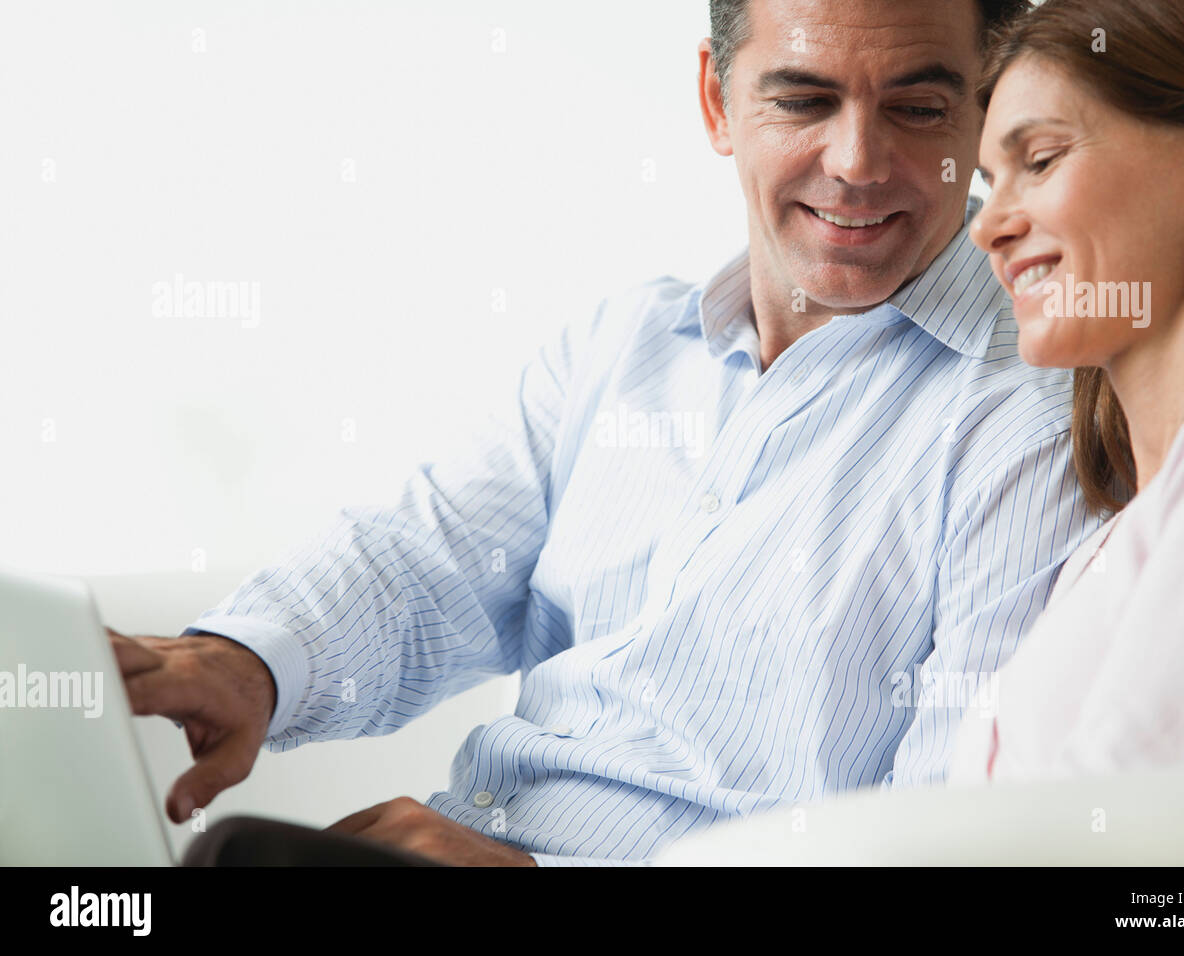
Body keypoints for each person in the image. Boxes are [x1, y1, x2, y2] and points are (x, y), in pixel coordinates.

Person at [111, 0, 1102, 866]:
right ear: (716, 100)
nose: (855, 162)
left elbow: (951, 842)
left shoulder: (1033, 409)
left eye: (917, 108)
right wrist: (245, 661)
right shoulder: (623, 348)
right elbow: (428, 555)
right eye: (801, 101)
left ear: (987, 112)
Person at [950, 0, 1184, 784]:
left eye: (1039, 160)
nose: (989, 224)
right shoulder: (1101, 551)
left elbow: (1131, 823)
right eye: (987, 181)